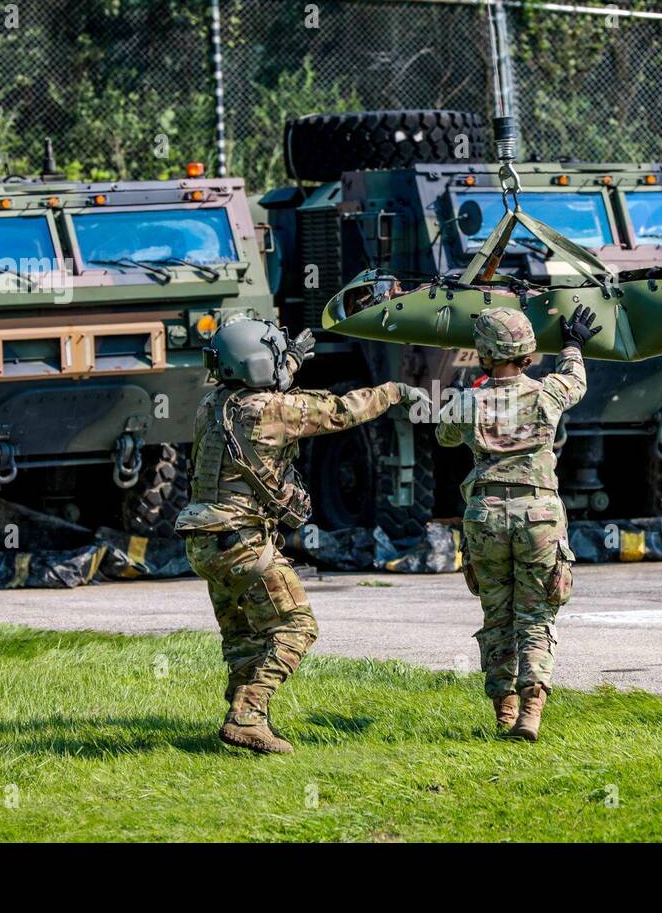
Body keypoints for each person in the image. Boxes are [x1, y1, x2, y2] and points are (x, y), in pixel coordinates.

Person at [177, 317, 426, 755]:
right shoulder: (276, 412)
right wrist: (396, 392)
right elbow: (340, 409)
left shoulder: (209, 407)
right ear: (258, 363)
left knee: (244, 637)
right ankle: (247, 714)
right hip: (243, 542)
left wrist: (288, 359)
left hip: (203, 540)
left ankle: (245, 720)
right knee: (297, 627)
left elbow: (265, 386)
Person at [435, 304, 600, 740]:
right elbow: (576, 381)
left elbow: (443, 435)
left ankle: (504, 713)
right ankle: (531, 712)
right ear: (527, 350)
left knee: (496, 617)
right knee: (536, 615)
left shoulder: (470, 402)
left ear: (484, 353)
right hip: (539, 518)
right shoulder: (547, 394)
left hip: (485, 517)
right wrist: (573, 343)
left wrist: (462, 394)